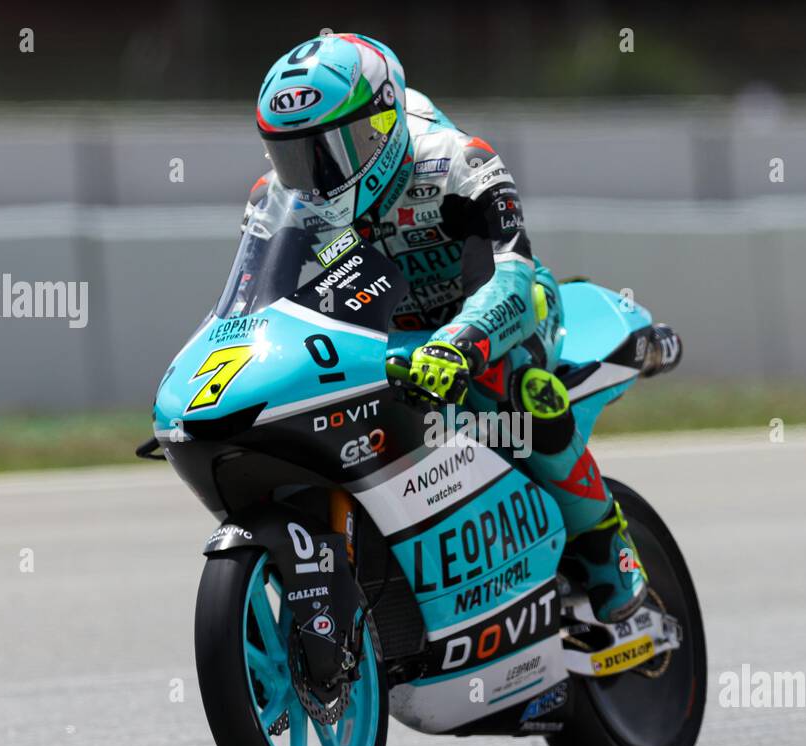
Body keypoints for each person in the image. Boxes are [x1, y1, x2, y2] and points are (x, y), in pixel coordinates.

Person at [246, 33, 646, 622]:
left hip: (497, 319)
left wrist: (462, 344)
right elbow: (256, 303)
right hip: (387, 338)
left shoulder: (459, 160)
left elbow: (515, 274)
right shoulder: (282, 198)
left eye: (330, 150)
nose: (312, 174)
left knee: (520, 397)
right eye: (293, 154)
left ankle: (607, 543)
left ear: (380, 125)